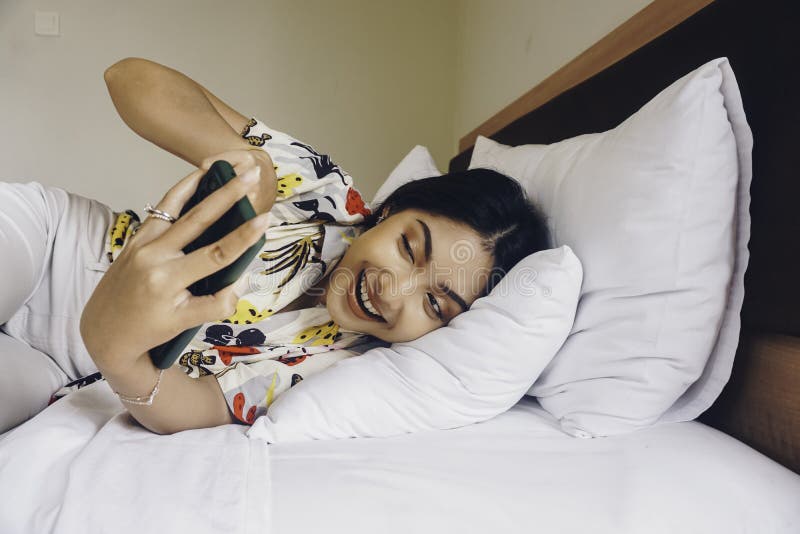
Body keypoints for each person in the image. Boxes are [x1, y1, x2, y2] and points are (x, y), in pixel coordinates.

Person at [0, 58, 550, 436]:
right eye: (409, 247)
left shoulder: (341, 369)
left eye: (434, 303)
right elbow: (128, 77)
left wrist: (120, 356)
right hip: (54, 247)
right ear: (387, 212)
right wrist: (244, 159)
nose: (393, 290)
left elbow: (199, 406)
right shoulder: (324, 193)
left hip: (65, 368)